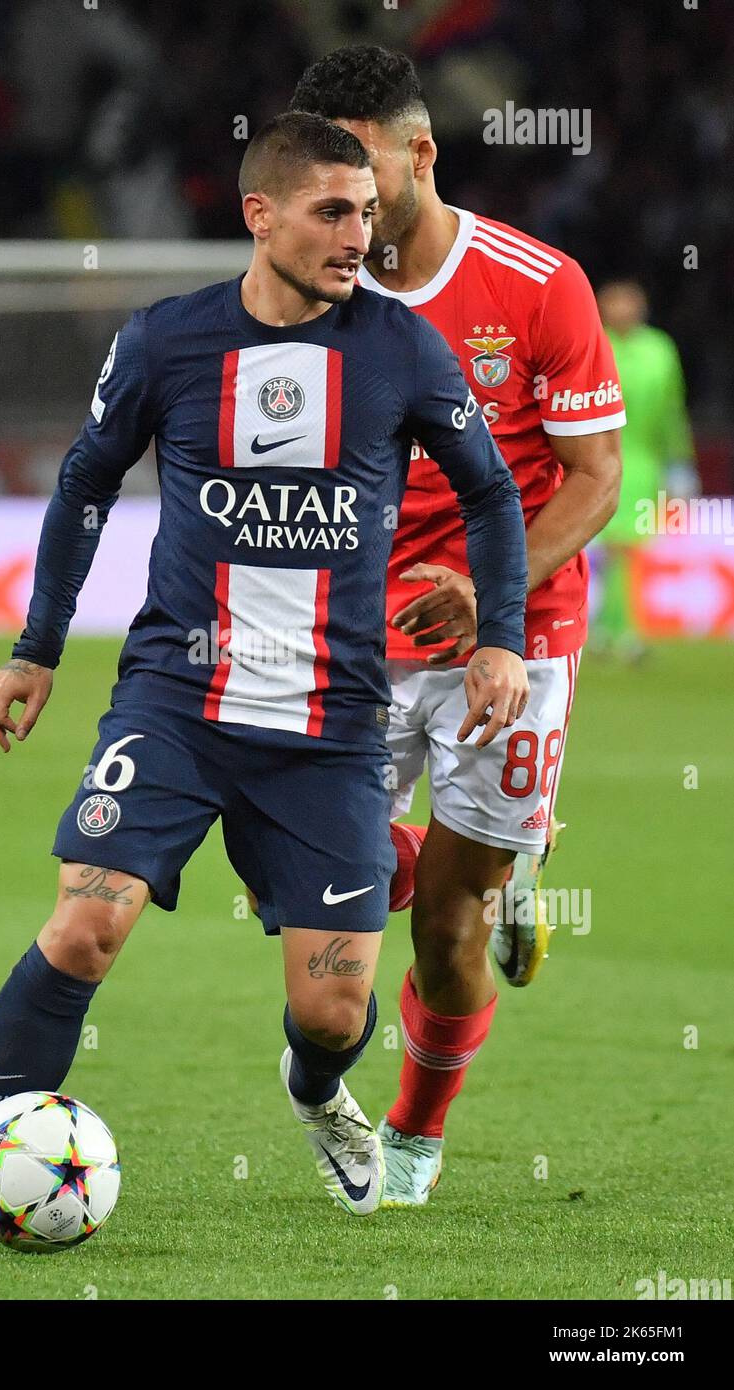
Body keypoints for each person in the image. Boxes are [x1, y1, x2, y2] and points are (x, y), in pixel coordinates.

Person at [0, 111, 528, 1251]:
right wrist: (37, 649)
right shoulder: (166, 341)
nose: (357, 235)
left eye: (367, 212)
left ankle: (316, 1085)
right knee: (86, 926)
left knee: (330, 1009)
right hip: (176, 703)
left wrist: (501, 637)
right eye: (333, 212)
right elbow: (85, 480)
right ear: (260, 214)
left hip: (333, 727)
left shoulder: (402, 350)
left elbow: (488, 493)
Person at [290, 46, 623, 1205]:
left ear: (420, 153)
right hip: (360, 639)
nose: (344, 202)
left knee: (445, 933)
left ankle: (416, 1135)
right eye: (321, 177)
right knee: (316, 891)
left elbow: (594, 477)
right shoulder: (311, 288)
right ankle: (499, 861)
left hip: (511, 644)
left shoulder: (539, 286)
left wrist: (492, 589)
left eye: (362, 167)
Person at [594, 279, 696, 660]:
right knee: (614, 550)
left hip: (644, 463)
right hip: (597, 458)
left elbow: (672, 410)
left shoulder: (660, 349)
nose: (623, 310)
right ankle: (619, 632)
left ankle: (614, 631)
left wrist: (680, 462)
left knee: (627, 549)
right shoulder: (593, 343)